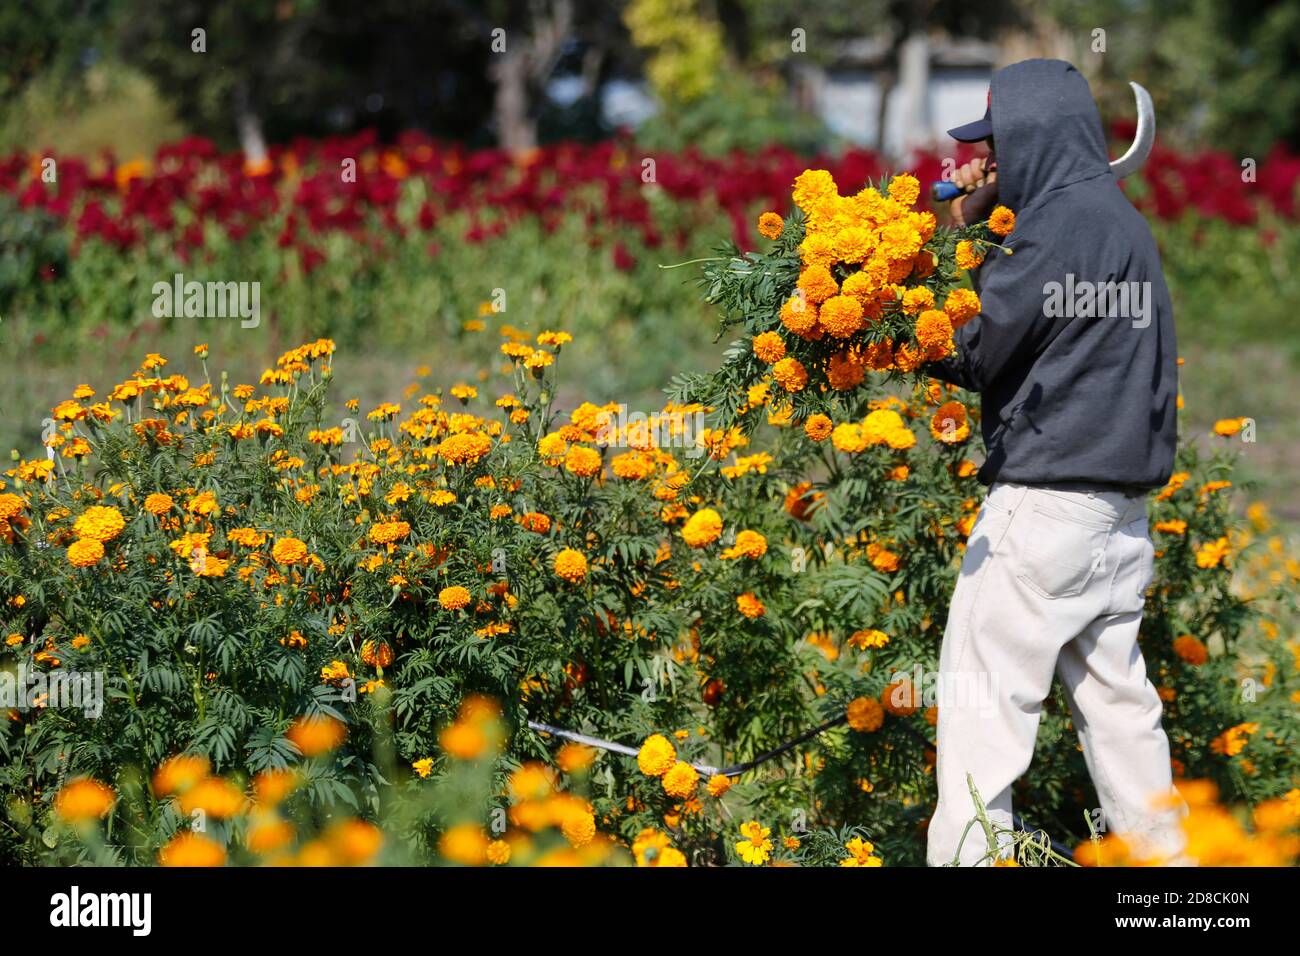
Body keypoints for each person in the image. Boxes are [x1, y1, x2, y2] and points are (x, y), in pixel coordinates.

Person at [922, 59, 1188, 866]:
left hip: (1042, 515)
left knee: (981, 723)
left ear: (1032, 135)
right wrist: (980, 210)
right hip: (1117, 525)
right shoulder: (1115, 222)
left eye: (995, 142)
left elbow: (972, 345)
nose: (986, 158)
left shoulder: (1057, 228)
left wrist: (955, 231)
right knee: (1123, 722)